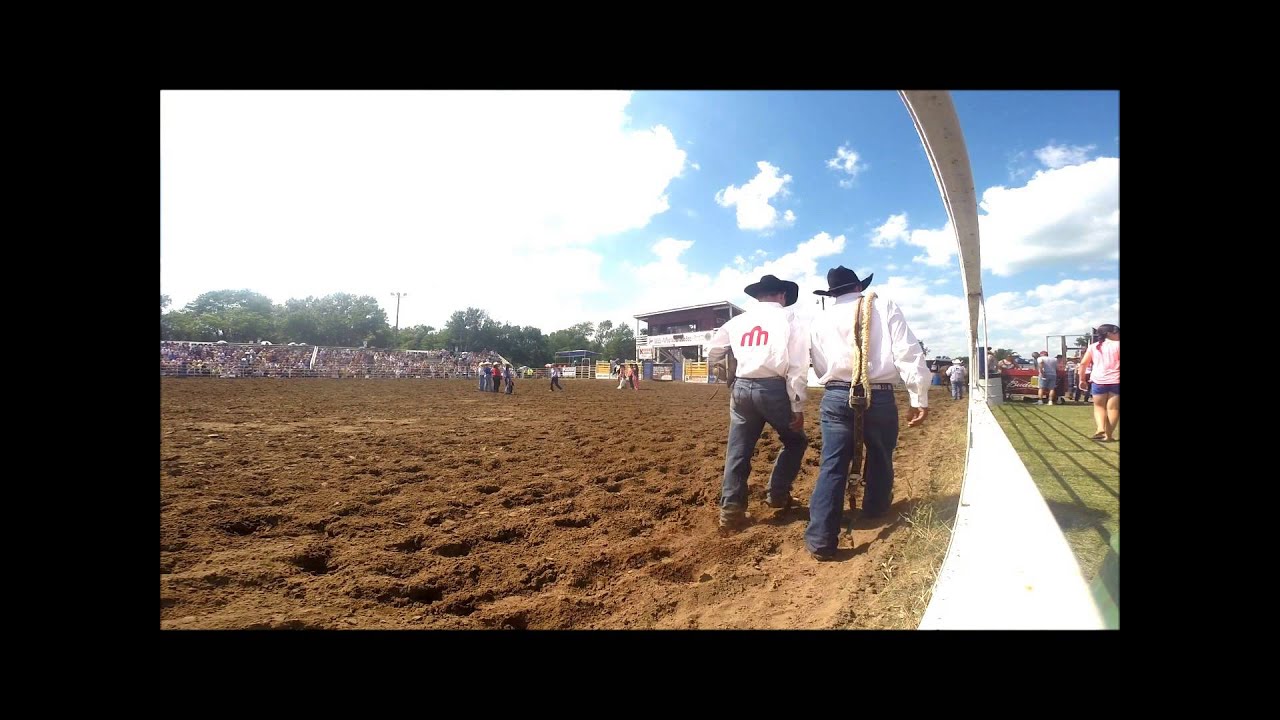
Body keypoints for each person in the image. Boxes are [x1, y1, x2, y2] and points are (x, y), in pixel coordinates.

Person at [806, 265, 929, 561]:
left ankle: (822, 539)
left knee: (833, 464)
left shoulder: (820, 318)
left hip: (836, 392)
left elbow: (818, 362)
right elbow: (907, 351)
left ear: (832, 292)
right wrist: (918, 395)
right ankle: (875, 508)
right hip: (880, 393)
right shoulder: (882, 304)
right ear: (857, 287)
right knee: (881, 454)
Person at [706, 274, 809, 530]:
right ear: (782, 295)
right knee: (795, 441)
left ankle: (730, 510)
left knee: (738, 451)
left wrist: (726, 372)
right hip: (773, 388)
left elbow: (714, 353)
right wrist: (797, 405)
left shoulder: (737, 321)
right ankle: (777, 494)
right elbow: (797, 367)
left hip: (741, 387)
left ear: (758, 295)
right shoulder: (791, 319)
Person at [1077, 324, 1119, 441]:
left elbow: (1083, 364)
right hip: (1116, 381)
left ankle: (1100, 428)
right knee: (1113, 409)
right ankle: (1109, 436)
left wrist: (1082, 379)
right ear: (1111, 333)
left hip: (1098, 380)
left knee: (1099, 407)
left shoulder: (1093, 346)